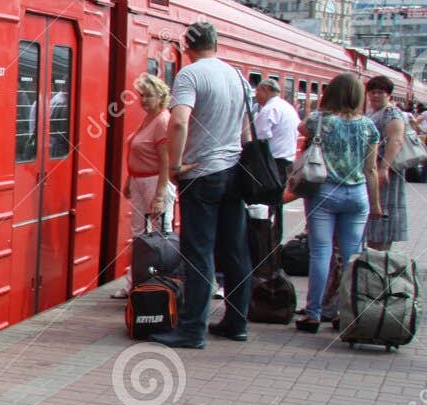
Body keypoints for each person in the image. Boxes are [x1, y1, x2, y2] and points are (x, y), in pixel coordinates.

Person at [152, 21, 253, 349]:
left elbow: (179, 121)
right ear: (217, 44)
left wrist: (176, 164)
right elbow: (245, 130)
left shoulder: (190, 75)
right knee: (235, 251)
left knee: (198, 253)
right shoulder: (237, 76)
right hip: (234, 172)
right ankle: (237, 323)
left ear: (187, 47)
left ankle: (192, 330)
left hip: (201, 174)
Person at [295, 74, 384, 333]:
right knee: (351, 258)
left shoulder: (319, 120)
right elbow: (371, 170)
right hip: (357, 196)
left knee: (320, 253)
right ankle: (346, 314)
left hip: (324, 192)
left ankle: (313, 314)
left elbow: (301, 128)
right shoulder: (368, 126)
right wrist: (375, 204)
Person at [111, 73, 174, 297]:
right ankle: (135, 284)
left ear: (161, 96)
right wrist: (130, 179)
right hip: (140, 180)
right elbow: (139, 153)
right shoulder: (149, 119)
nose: (143, 100)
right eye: (141, 96)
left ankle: (159, 287)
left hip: (155, 182)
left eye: (148, 96)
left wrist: (160, 196)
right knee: (139, 236)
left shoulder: (162, 121)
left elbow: (166, 161)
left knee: (159, 237)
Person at [252, 78, 300, 243]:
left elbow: (260, 138)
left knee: (265, 205)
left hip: (272, 164)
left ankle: (264, 242)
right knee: (277, 204)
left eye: (257, 91)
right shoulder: (288, 108)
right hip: (286, 162)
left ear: (265, 89)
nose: (256, 96)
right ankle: (274, 241)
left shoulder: (269, 109)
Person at [364, 74, 407, 250]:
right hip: (372, 169)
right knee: (374, 208)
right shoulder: (372, 112)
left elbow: (396, 140)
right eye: (372, 92)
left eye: (380, 92)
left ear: (388, 95)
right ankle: (374, 249)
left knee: (383, 208)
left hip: (385, 171)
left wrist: (384, 168)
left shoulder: (392, 113)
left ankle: (380, 251)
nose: (375, 95)